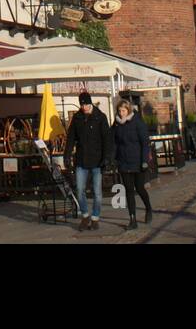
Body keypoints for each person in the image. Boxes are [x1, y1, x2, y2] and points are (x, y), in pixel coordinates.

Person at [65, 91, 112, 231]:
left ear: (90, 103)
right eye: (82, 104)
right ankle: (85, 216)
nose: (84, 106)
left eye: (86, 104)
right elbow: (71, 138)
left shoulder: (100, 117)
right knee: (79, 190)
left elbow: (107, 139)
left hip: (97, 161)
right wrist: (66, 155)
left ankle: (95, 218)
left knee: (97, 193)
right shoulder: (77, 118)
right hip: (81, 160)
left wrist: (107, 158)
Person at [112, 99, 153, 229]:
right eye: (119, 111)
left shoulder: (137, 122)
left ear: (128, 110)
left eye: (123, 110)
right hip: (123, 161)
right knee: (129, 190)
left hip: (137, 160)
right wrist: (113, 158)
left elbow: (144, 142)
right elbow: (113, 142)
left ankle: (148, 208)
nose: (121, 113)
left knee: (140, 188)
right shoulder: (117, 124)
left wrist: (145, 160)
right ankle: (132, 219)